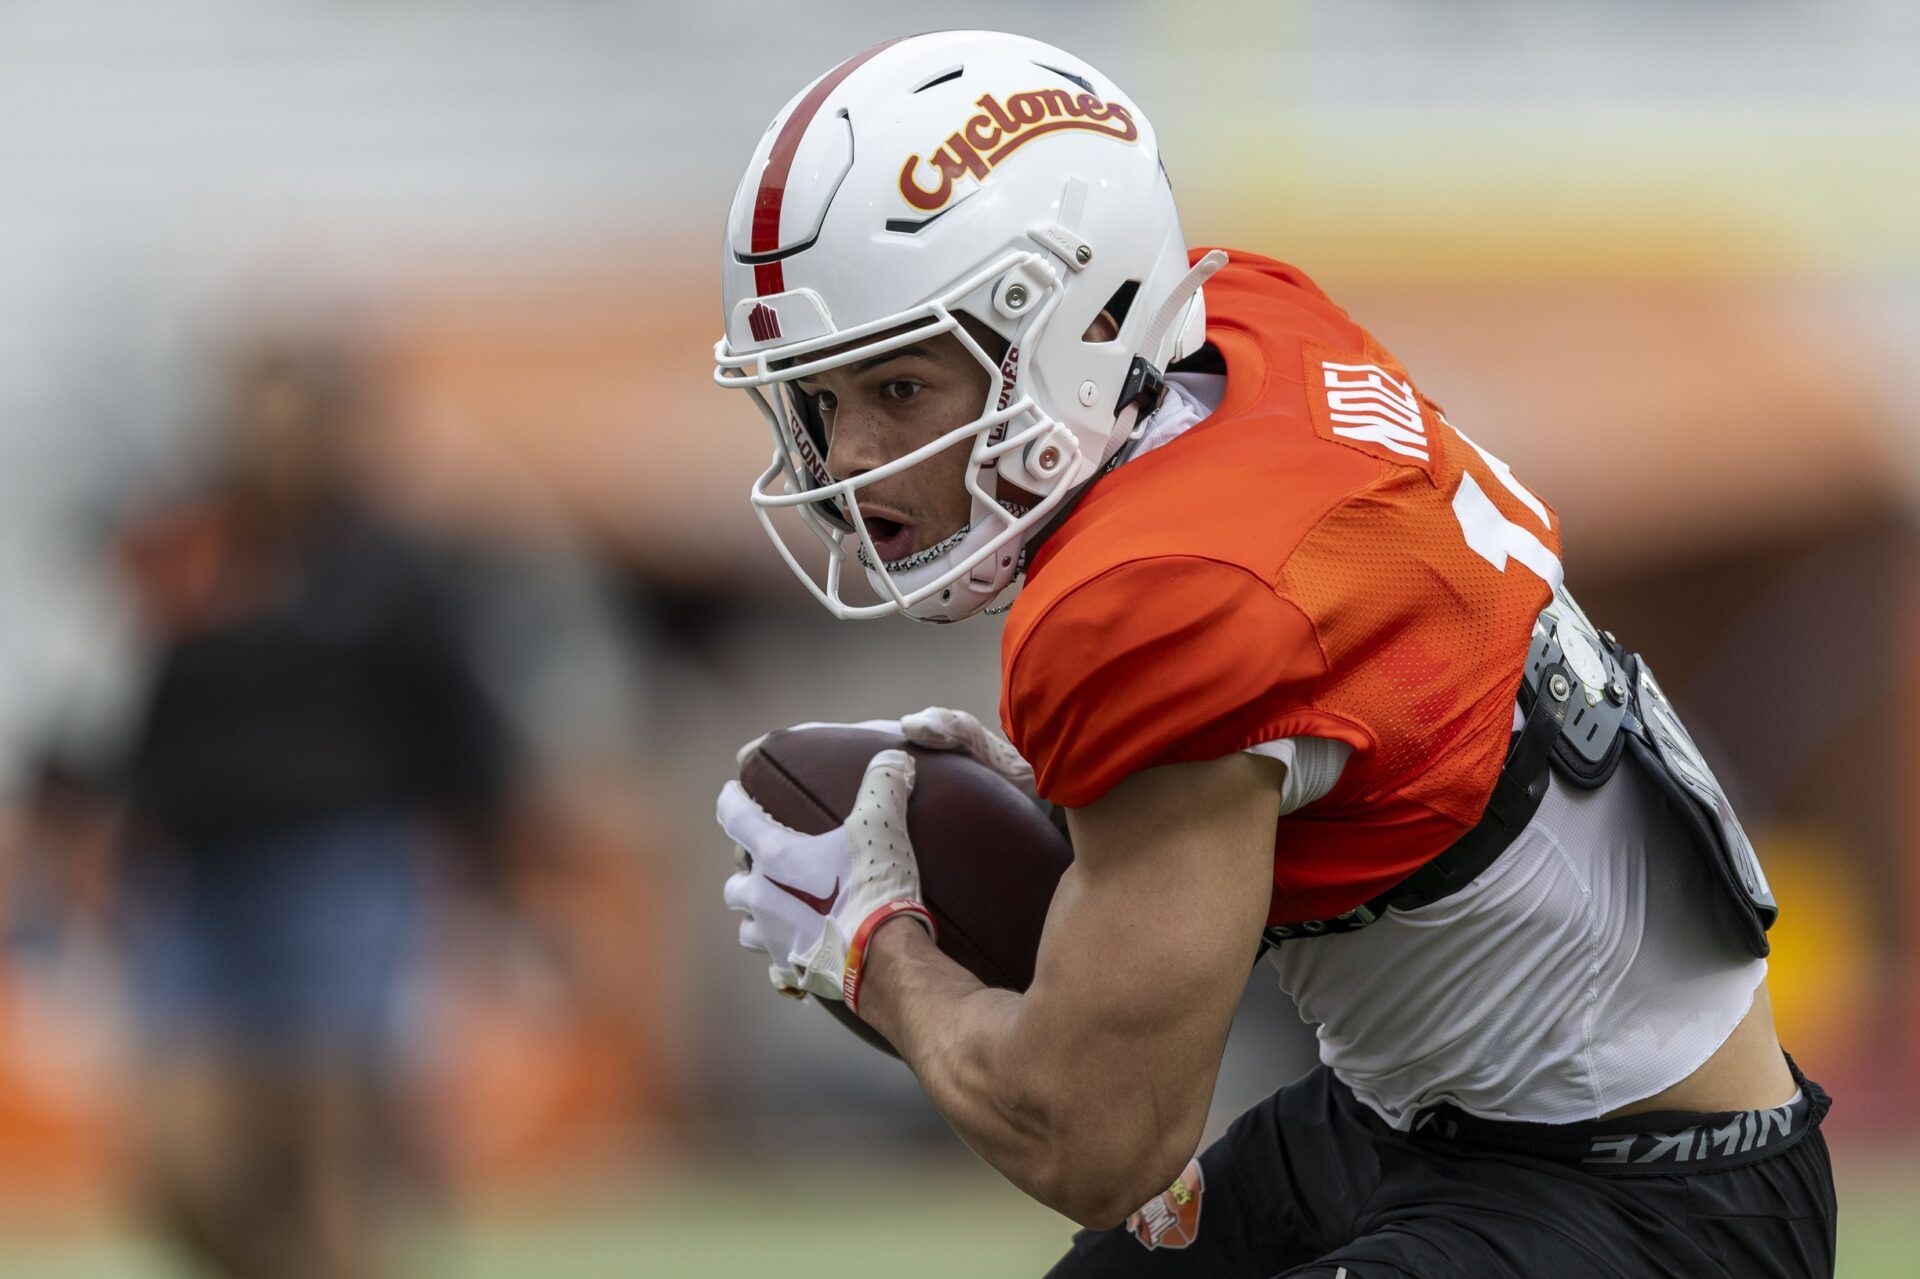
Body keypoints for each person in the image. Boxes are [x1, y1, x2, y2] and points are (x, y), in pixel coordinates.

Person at [711, 31, 1836, 1278]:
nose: (853, 461)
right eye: (821, 403)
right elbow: (1342, 741)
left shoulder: (1156, 602)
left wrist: (875, 949)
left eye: (902, 389)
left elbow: (1093, 1137)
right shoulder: (1239, 330)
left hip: (1640, 1196)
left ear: (1075, 332)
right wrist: (1106, 798)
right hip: (1446, 1106)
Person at [105, 344, 512, 1279]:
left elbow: (459, 721)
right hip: (195, 884)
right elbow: (112, 706)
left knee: (334, 1151)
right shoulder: (179, 551)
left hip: (341, 873)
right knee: (188, 1167)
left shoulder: (388, 566)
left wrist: (495, 861)